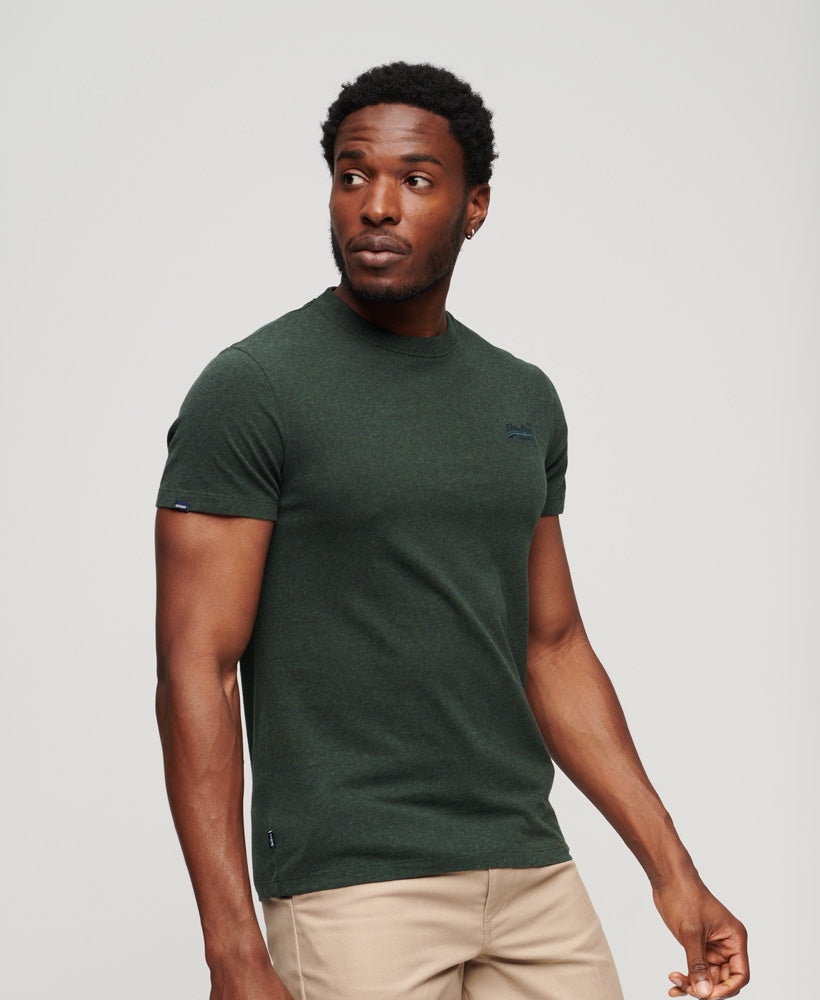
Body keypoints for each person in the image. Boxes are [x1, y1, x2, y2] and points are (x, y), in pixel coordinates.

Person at [155, 62, 749, 1000]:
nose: (376, 205)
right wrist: (232, 949)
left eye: (416, 179)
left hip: (529, 870)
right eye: (352, 176)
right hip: (353, 889)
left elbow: (552, 645)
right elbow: (196, 666)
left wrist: (674, 870)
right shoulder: (256, 389)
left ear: (475, 207)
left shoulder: (521, 398)